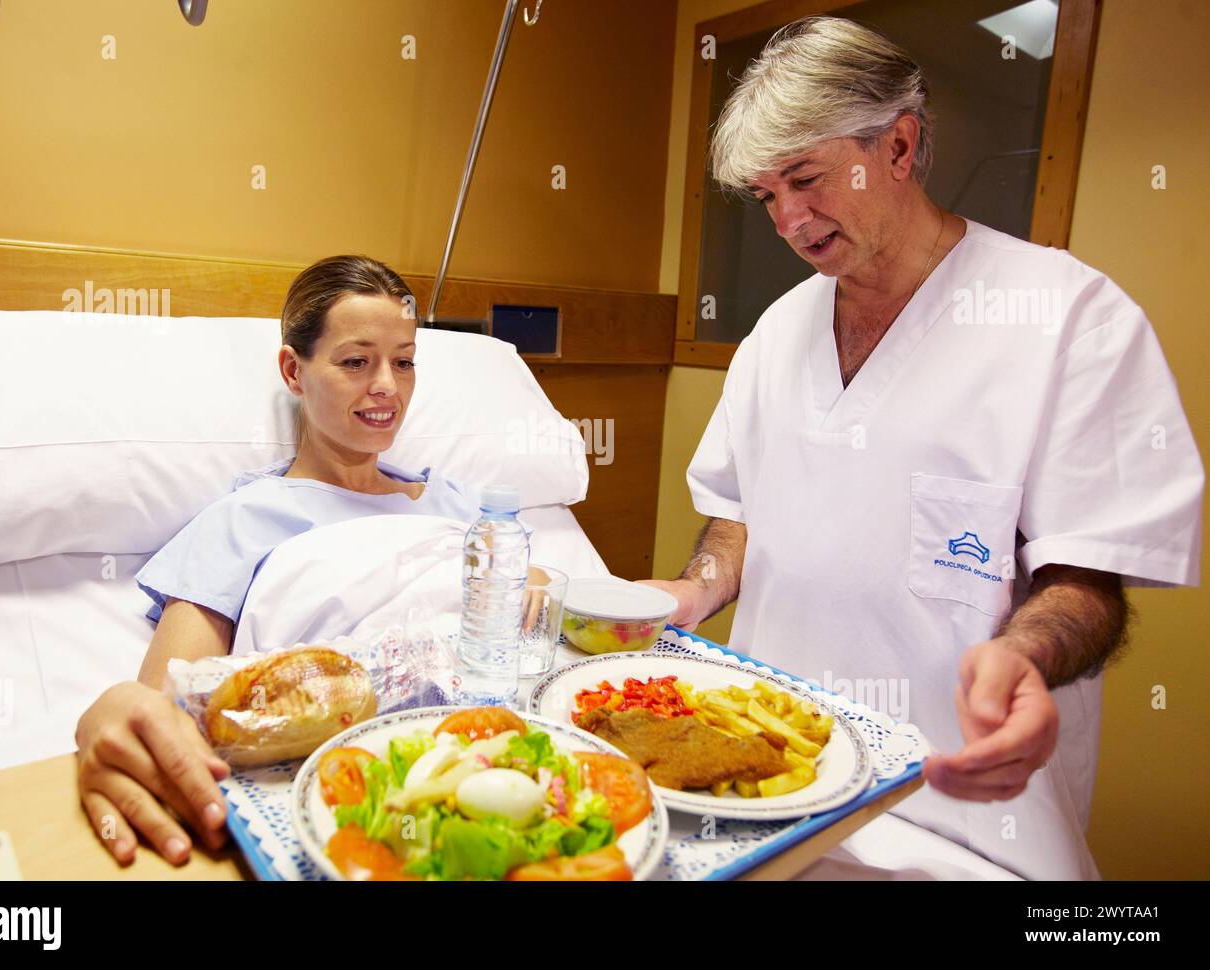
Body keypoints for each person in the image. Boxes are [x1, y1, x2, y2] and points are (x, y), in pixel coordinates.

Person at [643, 17, 1203, 879]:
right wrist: (693, 590)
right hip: (768, 787)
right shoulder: (775, 335)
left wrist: (1021, 655)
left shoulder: (1066, 320)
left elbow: (1085, 579)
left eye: (806, 178)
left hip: (962, 819)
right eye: (765, 196)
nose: (788, 220)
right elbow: (739, 514)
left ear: (898, 146)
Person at [75, 255, 533, 866]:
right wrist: (110, 715)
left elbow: (532, 602)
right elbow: (165, 704)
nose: (387, 388)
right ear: (294, 370)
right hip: (359, 788)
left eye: (403, 361)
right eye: (355, 361)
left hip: (509, 751)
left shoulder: (460, 503)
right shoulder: (249, 518)